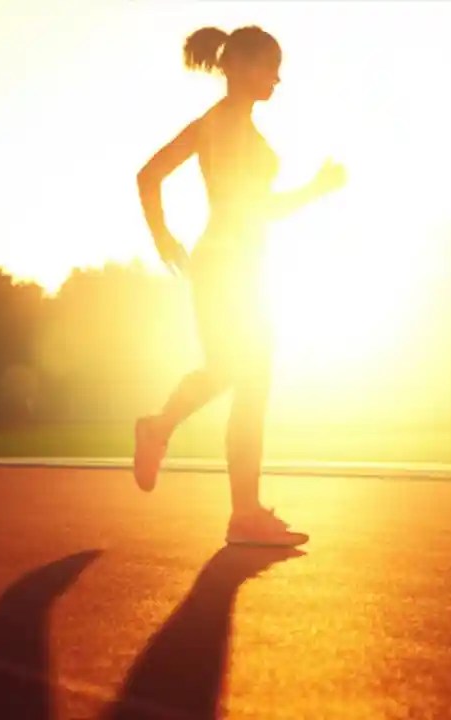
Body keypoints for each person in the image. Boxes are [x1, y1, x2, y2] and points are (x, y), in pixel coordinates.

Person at [133, 26, 346, 547]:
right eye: (269, 65)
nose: (277, 77)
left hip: (242, 265)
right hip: (228, 265)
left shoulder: (234, 126)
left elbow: (157, 179)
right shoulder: (223, 126)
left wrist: (166, 237)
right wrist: (315, 191)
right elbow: (157, 177)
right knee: (247, 379)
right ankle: (241, 511)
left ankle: (164, 432)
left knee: (234, 372)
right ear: (238, 66)